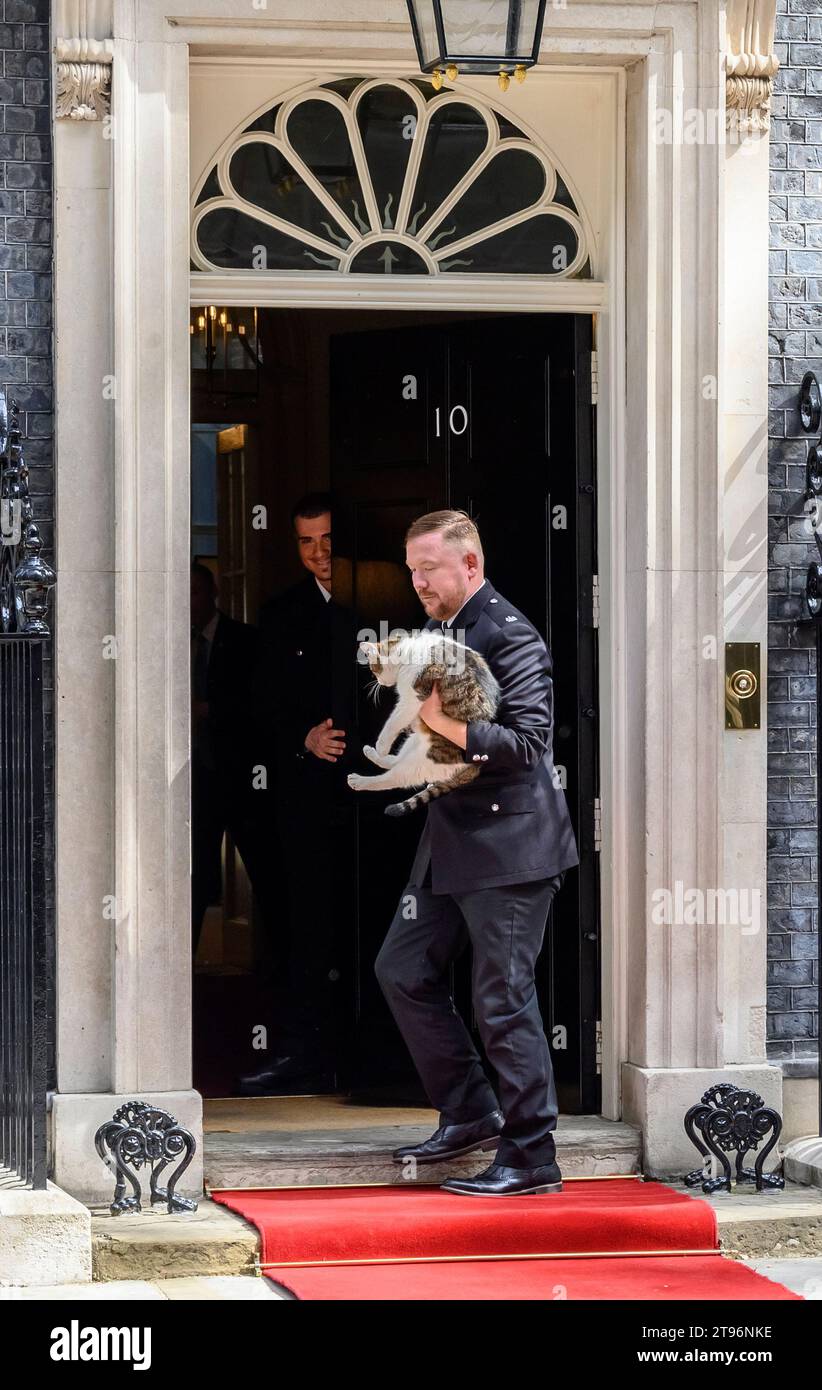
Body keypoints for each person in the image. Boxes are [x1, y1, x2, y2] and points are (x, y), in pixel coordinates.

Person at [375, 510, 580, 1197]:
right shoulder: (437, 632)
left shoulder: (511, 635)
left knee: (503, 998)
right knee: (401, 969)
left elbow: (527, 743)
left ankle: (531, 1154)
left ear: (470, 564)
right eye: (411, 569)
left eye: (428, 568)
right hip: (450, 843)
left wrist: (442, 723)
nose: (418, 581)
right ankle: (469, 1111)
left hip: (512, 848)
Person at [238, 493, 359, 1094]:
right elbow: (260, 705)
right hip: (307, 801)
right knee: (305, 928)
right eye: (307, 542)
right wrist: (302, 739)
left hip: (377, 802)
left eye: (328, 538)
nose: (319, 553)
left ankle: (374, 1057)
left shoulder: (387, 601)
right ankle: (303, 1052)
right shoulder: (281, 612)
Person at [190, 562, 275, 954]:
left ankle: (278, 970)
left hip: (245, 780)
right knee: (193, 880)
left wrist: (210, 710)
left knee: (267, 874)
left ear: (213, 594)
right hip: (194, 785)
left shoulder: (245, 641)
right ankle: (182, 974)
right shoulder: (166, 643)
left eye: (195, 592)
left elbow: (262, 706)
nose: (189, 602)